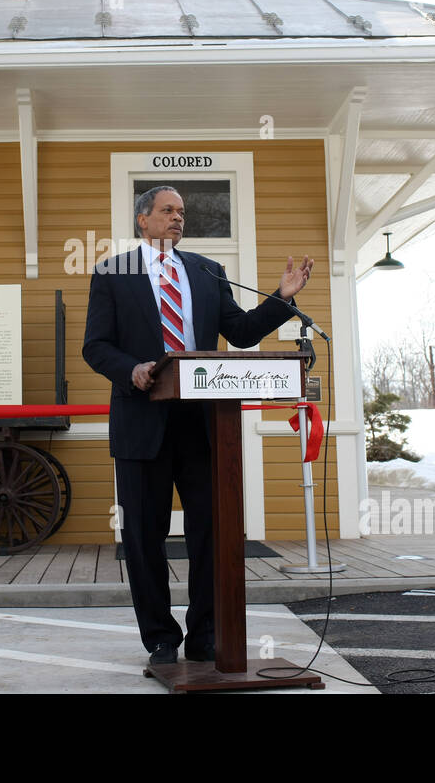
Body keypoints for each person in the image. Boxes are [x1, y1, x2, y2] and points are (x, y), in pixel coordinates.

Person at [82, 186, 314, 665]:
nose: (177, 218)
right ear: (142, 220)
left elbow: (243, 332)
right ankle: (161, 640)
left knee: (210, 532)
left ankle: (206, 635)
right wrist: (131, 370)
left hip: (204, 424)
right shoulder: (111, 273)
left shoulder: (207, 271)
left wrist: (280, 299)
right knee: (145, 538)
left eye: (182, 212)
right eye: (167, 211)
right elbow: (96, 345)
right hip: (142, 418)